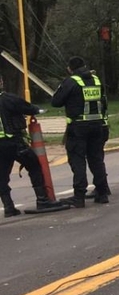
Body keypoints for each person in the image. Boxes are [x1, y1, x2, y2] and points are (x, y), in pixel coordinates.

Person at [0, 77, 66, 216]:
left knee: (2, 176)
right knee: (34, 166)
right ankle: (42, 200)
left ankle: (8, 207)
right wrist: (37, 110)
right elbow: (29, 108)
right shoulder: (8, 99)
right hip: (14, 143)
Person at [50, 56, 110, 207]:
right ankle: (102, 193)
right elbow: (103, 102)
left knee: (78, 160)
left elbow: (55, 102)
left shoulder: (71, 81)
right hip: (97, 126)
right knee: (96, 159)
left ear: (70, 69)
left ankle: (79, 196)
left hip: (78, 128)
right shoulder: (96, 80)